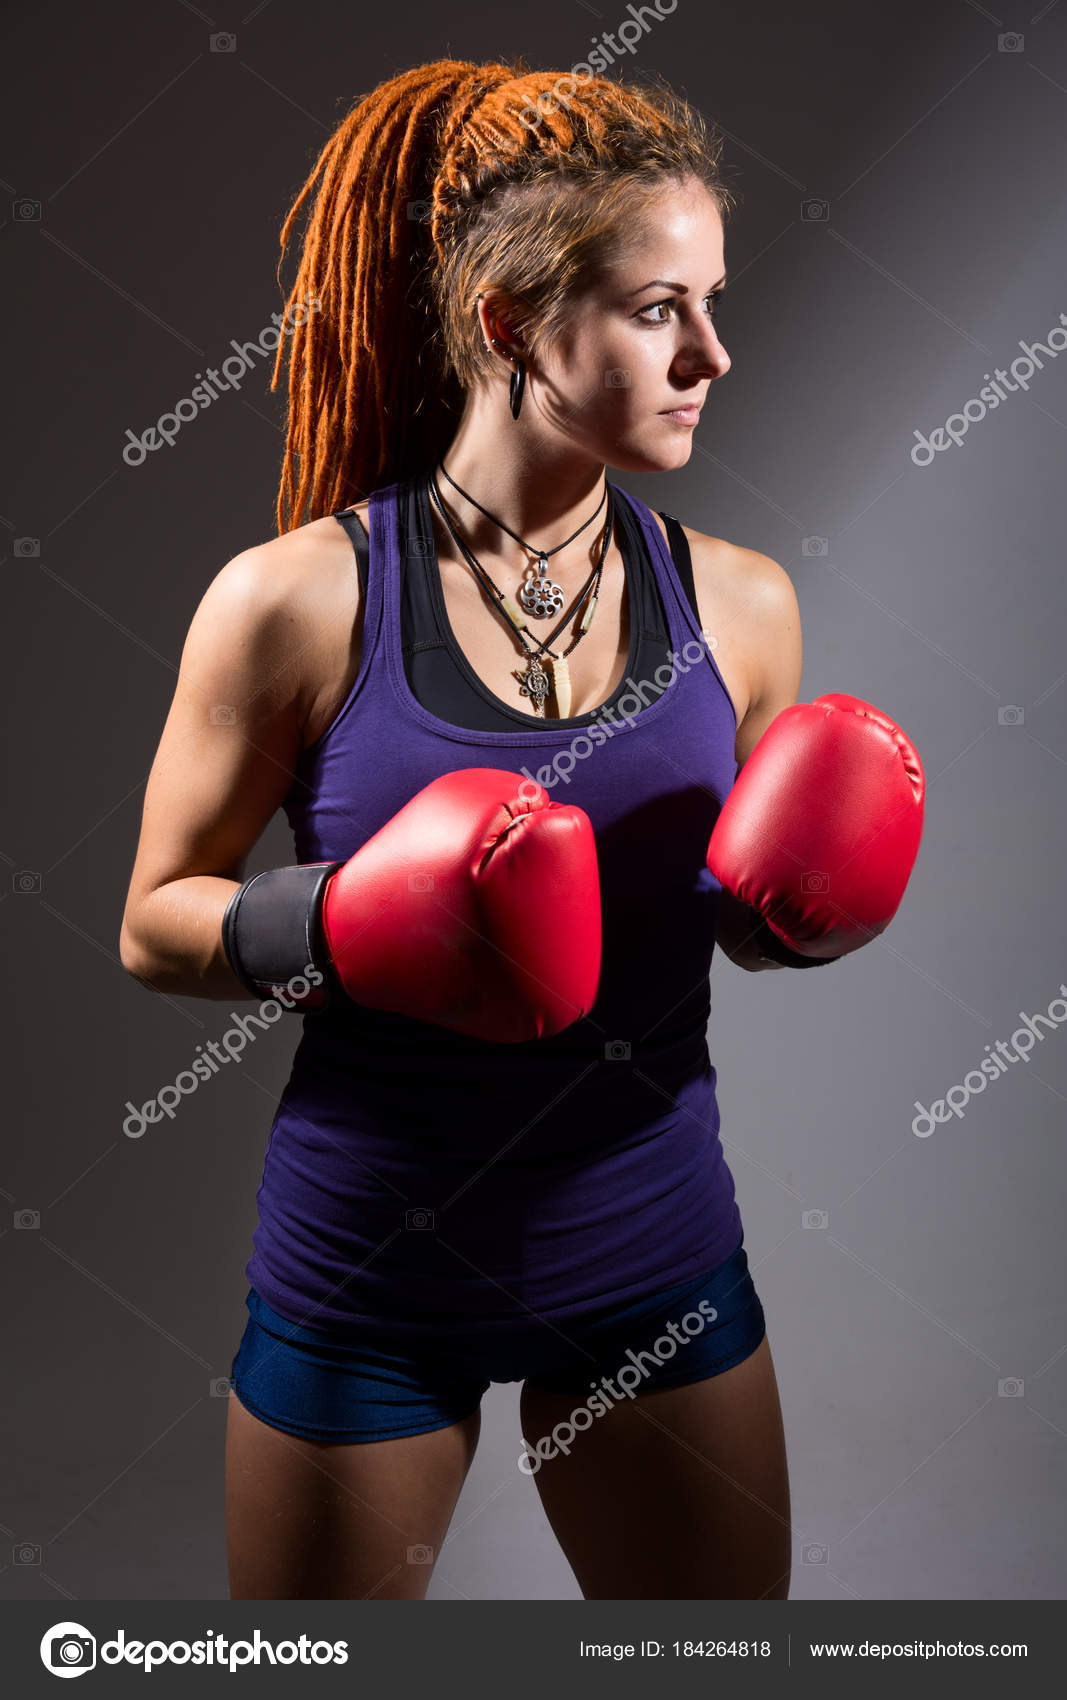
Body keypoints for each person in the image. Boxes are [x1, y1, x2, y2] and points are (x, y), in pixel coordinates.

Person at [120, 58, 840, 1602]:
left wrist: (798, 911)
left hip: (652, 1258)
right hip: (370, 1273)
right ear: (514, 323)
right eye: (662, 310)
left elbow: (736, 923)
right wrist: (348, 920)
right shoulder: (297, 602)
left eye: (716, 302)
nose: (714, 353)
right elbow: (154, 919)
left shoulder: (747, 604)